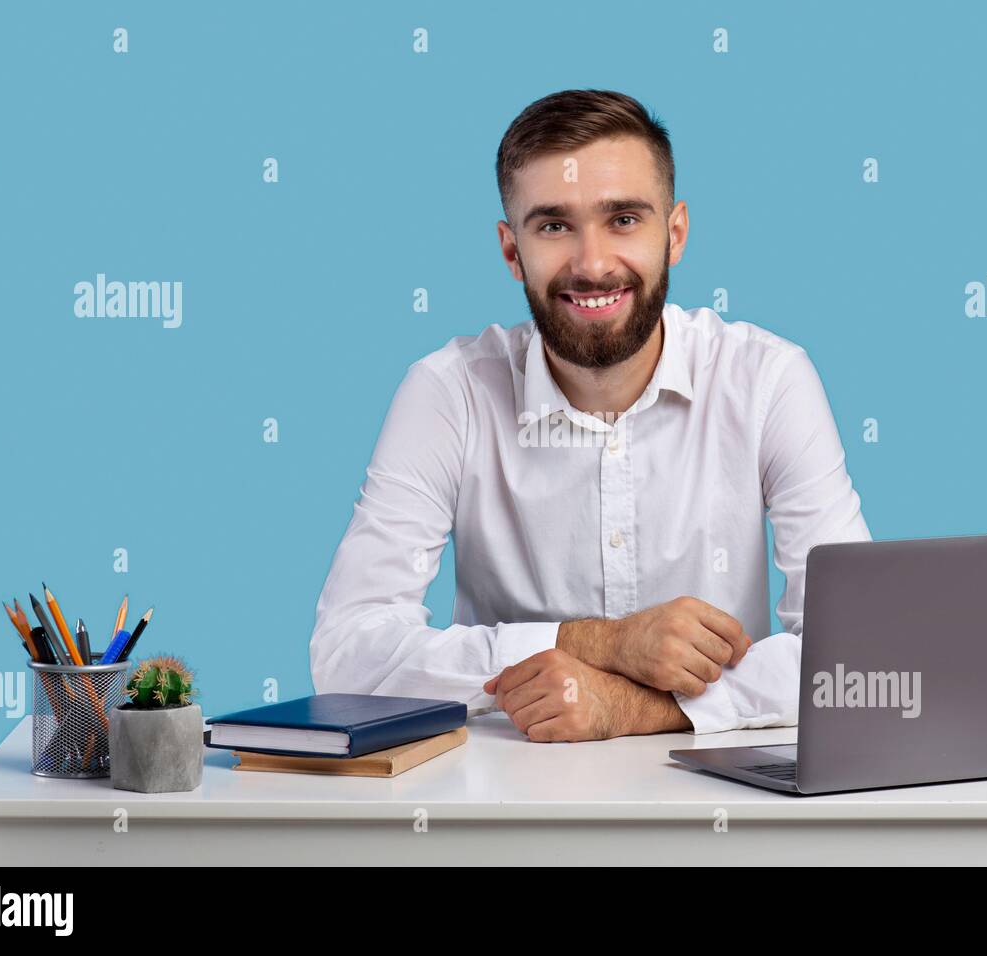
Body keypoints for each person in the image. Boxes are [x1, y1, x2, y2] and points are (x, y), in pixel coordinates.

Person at [310, 89, 871, 741]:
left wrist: (636, 708)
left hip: (723, 814)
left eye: (624, 219)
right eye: (553, 225)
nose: (593, 263)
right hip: (501, 811)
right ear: (511, 250)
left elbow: (855, 655)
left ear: (676, 233)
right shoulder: (448, 393)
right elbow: (348, 656)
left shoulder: (767, 380)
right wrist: (594, 643)